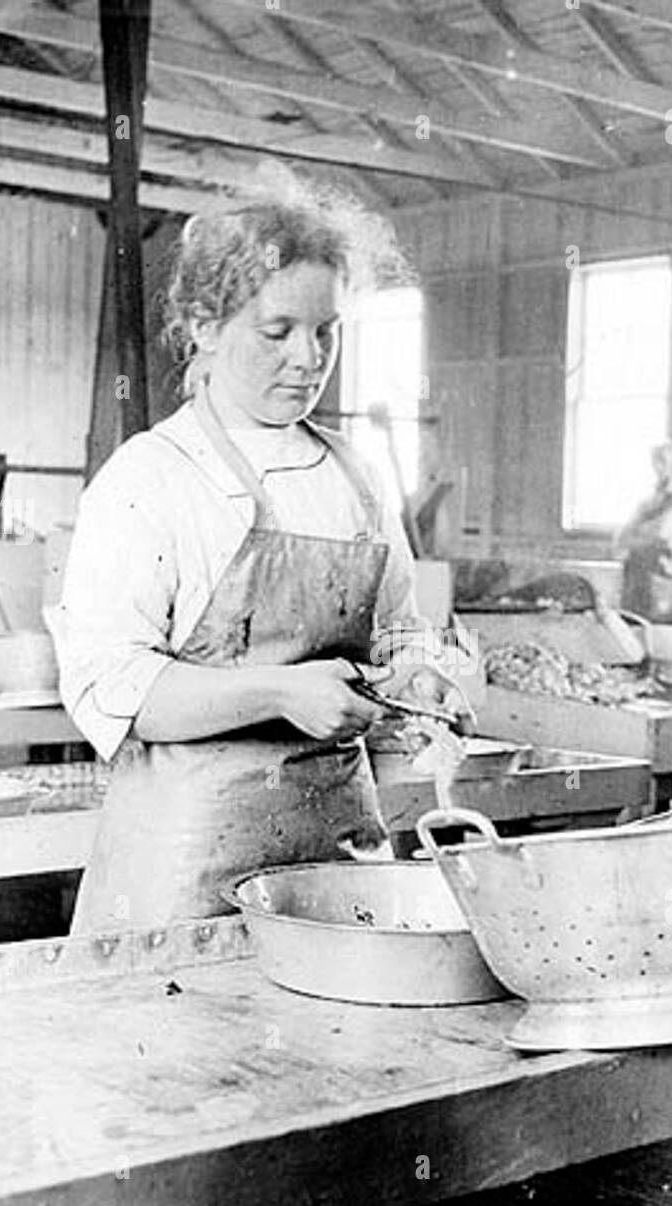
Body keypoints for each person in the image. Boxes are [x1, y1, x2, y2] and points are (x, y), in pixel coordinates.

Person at [50, 165, 471, 935]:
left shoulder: (357, 475)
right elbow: (110, 689)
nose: (309, 359)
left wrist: (420, 676)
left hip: (335, 868)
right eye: (277, 333)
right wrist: (280, 693)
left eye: (326, 331)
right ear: (206, 327)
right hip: (183, 877)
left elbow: (400, 629)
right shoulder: (153, 478)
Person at [614, 439, 672, 623]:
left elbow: (664, 532)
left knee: (661, 641)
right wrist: (642, 534)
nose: (659, 466)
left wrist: (639, 532)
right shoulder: (647, 499)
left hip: (664, 582)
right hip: (636, 582)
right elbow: (621, 538)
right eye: (655, 460)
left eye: (663, 459)